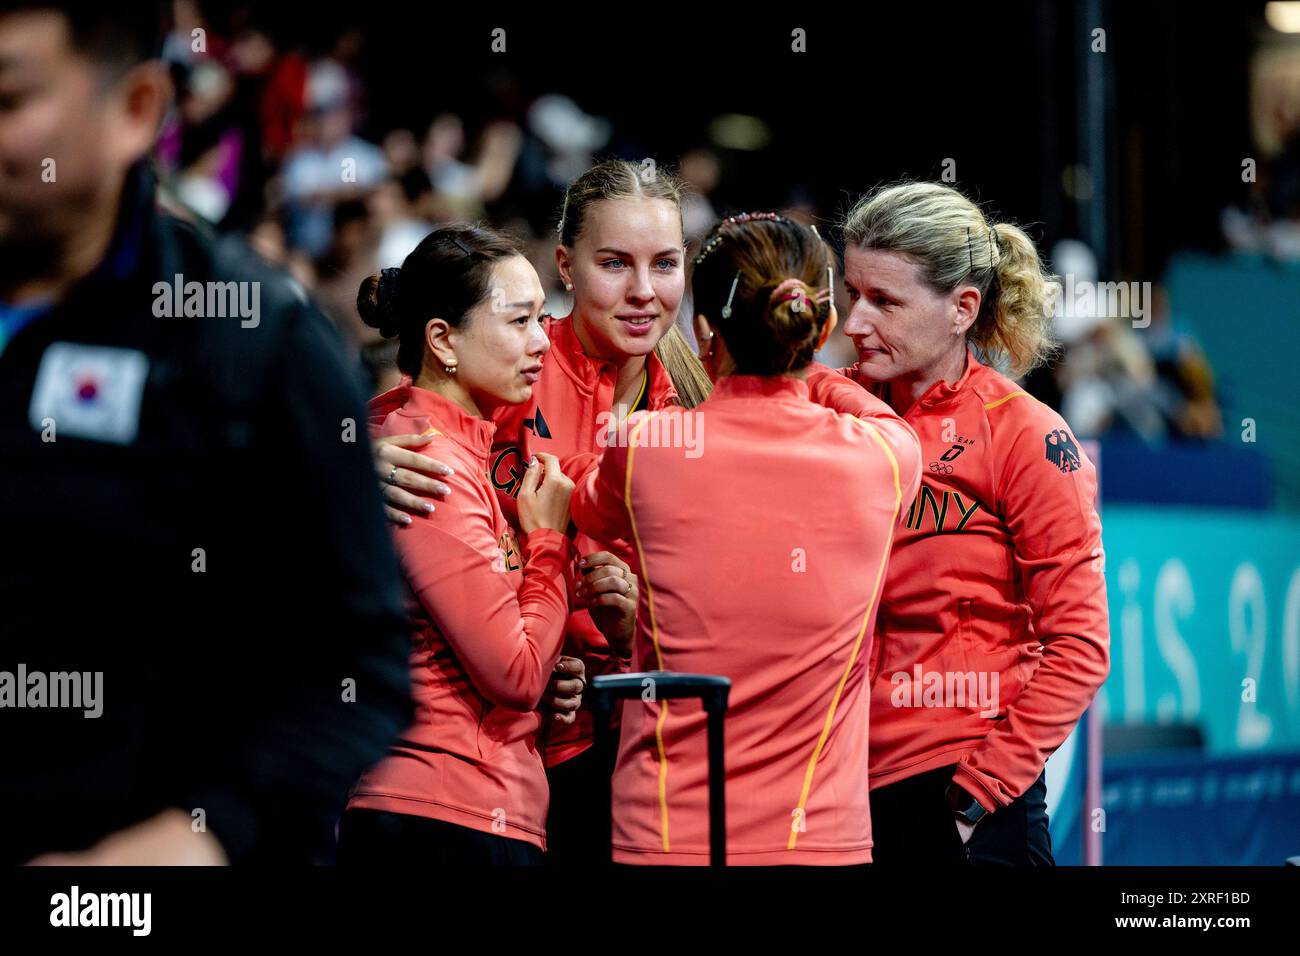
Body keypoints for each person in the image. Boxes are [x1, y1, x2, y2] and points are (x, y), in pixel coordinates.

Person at [0, 3, 411, 864]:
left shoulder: (253, 344)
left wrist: (197, 840)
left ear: (137, 110)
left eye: (8, 99)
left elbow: (357, 672)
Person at [370, 160, 869, 863]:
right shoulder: (509, 356)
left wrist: (631, 631)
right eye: (614, 264)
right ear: (566, 265)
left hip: (654, 755)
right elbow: (408, 412)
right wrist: (356, 464)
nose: (642, 292)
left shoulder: (705, 409)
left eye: (665, 264)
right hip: (508, 761)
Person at [567, 213, 922, 864]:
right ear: (824, 328)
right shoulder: (886, 456)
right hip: (817, 843)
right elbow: (871, 412)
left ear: (705, 333)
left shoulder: (646, 448)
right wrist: (803, 365)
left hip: (667, 838)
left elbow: (583, 505)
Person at [836, 182, 1110, 865]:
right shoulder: (830, 417)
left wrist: (976, 796)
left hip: (961, 800)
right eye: (851, 294)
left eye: (884, 302)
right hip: (836, 795)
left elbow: (1080, 645)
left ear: (962, 308)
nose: (854, 323)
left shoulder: (1025, 435)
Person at [339, 226, 577, 865]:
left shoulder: (440, 445)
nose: (540, 344)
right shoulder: (427, 464)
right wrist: (550, 541)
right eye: (519, 321)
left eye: (543, 318)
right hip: (445, 817)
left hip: (461, 811)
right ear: (443, 339)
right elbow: (515, 674)